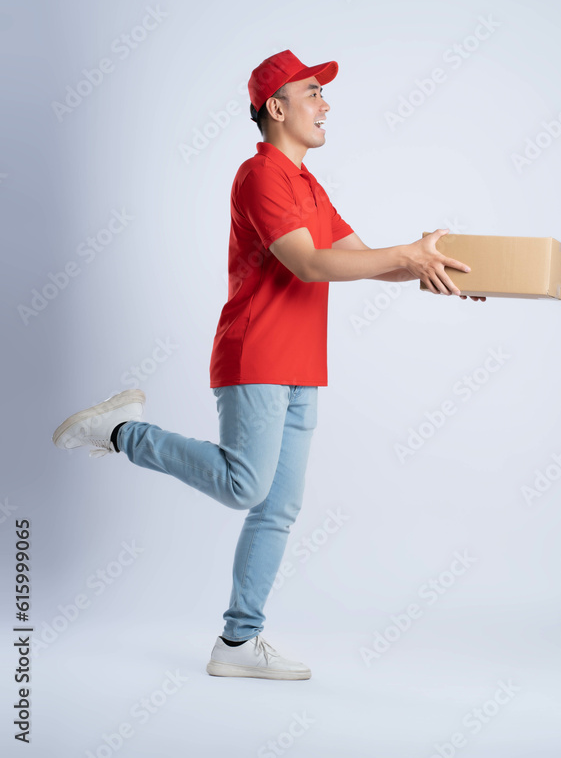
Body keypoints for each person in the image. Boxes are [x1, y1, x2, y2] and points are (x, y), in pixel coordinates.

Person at [51, 49, 484, 681]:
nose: (326, 104)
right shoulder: (260, 176)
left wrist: (433, 268)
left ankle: (237, 642)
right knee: (244, 486)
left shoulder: (309, 185)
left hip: (303, 365)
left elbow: (362, 259)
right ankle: (121, 431)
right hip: (257, 352)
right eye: (313, 93)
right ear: (276, 108)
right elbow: (310, 264)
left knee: (277, 508)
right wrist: (406, 255)